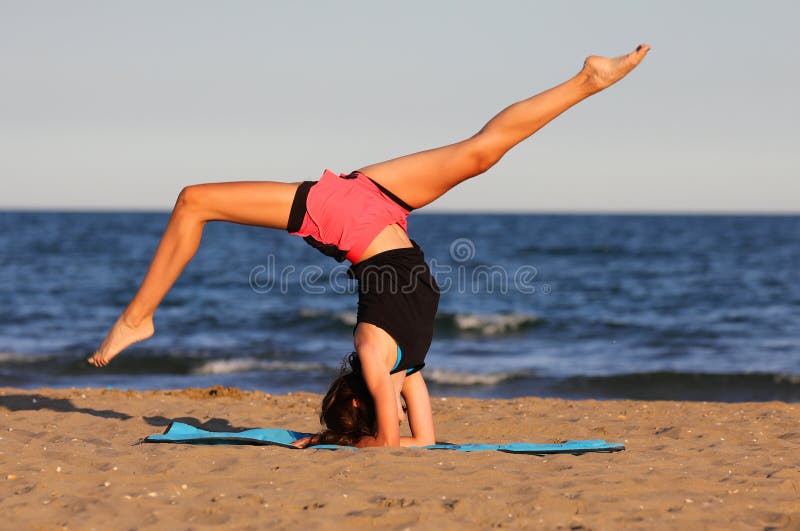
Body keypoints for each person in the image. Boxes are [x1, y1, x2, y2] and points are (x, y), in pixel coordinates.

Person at [88, 45, 651, 448]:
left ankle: (140, 317)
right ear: (350, 397)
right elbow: (407, 439)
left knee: (194, 201)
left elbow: (408, 439)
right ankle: (585, 83)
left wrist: (354, 442)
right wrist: (366, 440)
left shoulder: (399, 364)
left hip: (373, 228)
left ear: (362, 401)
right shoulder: (389, 364)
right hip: (372, 213)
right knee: (480, 152)